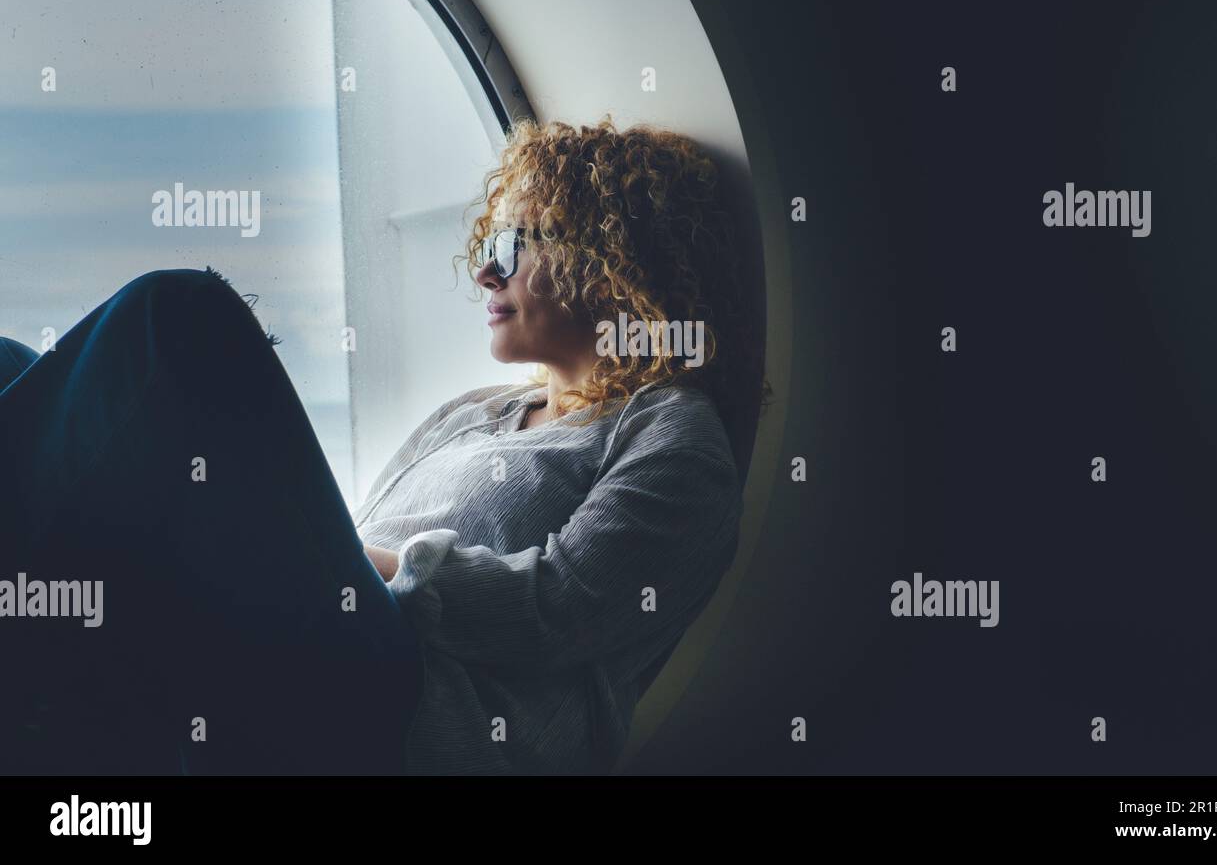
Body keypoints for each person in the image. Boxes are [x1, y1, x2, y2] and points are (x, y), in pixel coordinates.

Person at [0, 114, 763, 775]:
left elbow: (558, 613)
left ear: (612, 256)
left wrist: (348, 559)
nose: (487, 265)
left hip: (407, 706)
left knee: (182, 318)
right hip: (343, 630)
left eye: (516, 240)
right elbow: (354, 535)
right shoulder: (478, 411)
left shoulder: (675, 439)